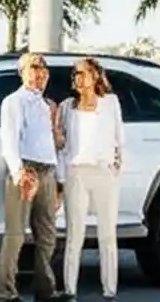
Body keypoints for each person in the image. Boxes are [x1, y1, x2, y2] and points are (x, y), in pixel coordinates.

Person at [55, 57, 125, 300]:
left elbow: (119, 138)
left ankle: (109, 289)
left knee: (107, 233)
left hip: (103, 172)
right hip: (76, 174)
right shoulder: (66, 107)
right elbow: (61, 147)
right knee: (75, 234)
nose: (78, 78)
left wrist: (115, 167)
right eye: (75, 74)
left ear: (95, 76)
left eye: (83, 73)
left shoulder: (110, 103)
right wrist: (61, 181)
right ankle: (70, 290)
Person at [0, 53, 60, 302]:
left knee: (47, 235)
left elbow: (52, 144)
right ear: (22, 72)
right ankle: (7, 293)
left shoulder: (46, 106)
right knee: (15, 234)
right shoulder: (13, 102)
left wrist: (58, 183)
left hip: (48, 172)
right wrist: (18, 172)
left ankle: (46, 291)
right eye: (34, 68)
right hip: (27, 171)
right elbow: (9, 140)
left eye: (44, 69)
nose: (40, 73)